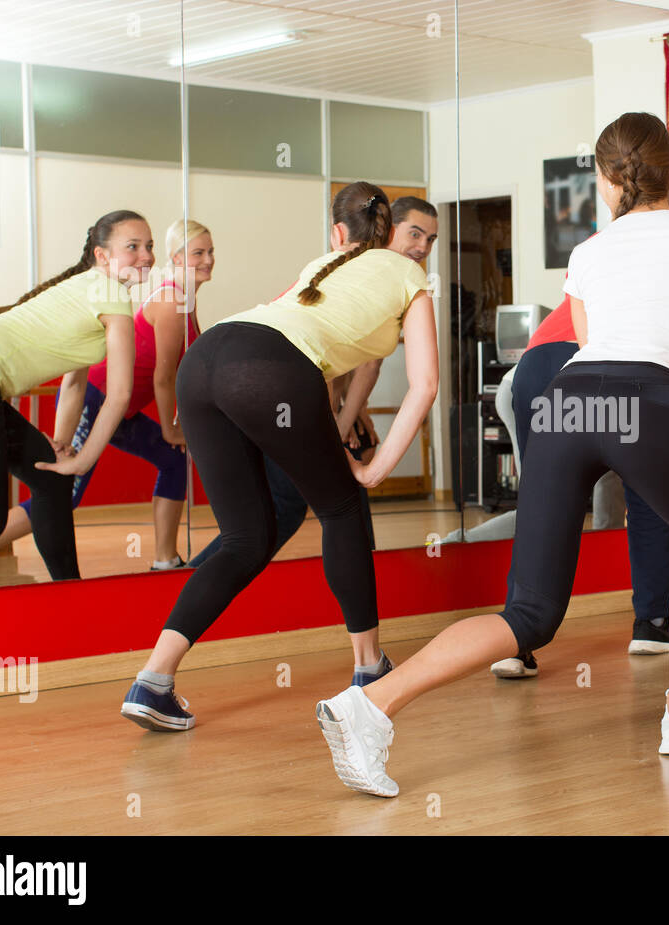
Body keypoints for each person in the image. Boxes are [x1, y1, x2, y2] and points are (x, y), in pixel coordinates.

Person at [314, 112, 669, 797]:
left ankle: (373, 703)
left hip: (566, 401)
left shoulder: (590, 253)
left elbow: (591, 348)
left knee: (530, 614)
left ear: (606, 181)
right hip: (649, 399)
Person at [120, 183, 437, 732]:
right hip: (270, 369)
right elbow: (425, 384)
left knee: (246, 536)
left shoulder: (321, 265)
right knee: (341, 507)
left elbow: (298, 338)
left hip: (208, 359)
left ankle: (153, 680)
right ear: (387, 235)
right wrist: (374, 468)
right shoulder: (410, 276)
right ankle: (368, 672)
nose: (422, 248)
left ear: (338, 233)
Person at [483, 189, 669, 678]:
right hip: (602, 371)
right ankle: (652, 623)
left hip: (538, 371)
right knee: (650, 500)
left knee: (542, 512)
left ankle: (517, 640)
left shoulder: (605, 242)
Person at [186, 195, 439, 573]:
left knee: (298, 508)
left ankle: (363, 570)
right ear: (387, 230)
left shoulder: (344, 267)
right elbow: (353, 366)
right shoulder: (395, 275)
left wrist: (355, 413)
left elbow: (335, 354)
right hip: (277, 390)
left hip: (237, 375)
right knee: (301, 505)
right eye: (415, 234)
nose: (423, 246)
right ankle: (190, 579)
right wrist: (337, 426)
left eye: (431, 239)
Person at [0, 218, 210, 588]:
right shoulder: (169, 300)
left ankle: (165, 559)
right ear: (178, 258)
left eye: (210, 251)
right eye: (198, 252)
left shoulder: (182, 300)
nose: (208, 259)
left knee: (173, 461)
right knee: (64, 493)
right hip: (99, 398)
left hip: (123, 409)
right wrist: (170, 427)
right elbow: (161, 376)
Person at [0, 210, 140, 585]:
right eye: (132, 246)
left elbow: (73, 384)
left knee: (48, 473)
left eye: (149, 246)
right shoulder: (112, 292)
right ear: (102, 255)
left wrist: (62, 446)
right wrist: (85, 460)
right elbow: (120, 393)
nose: (145, 255)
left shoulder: (85, 290)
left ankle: (67, 590)